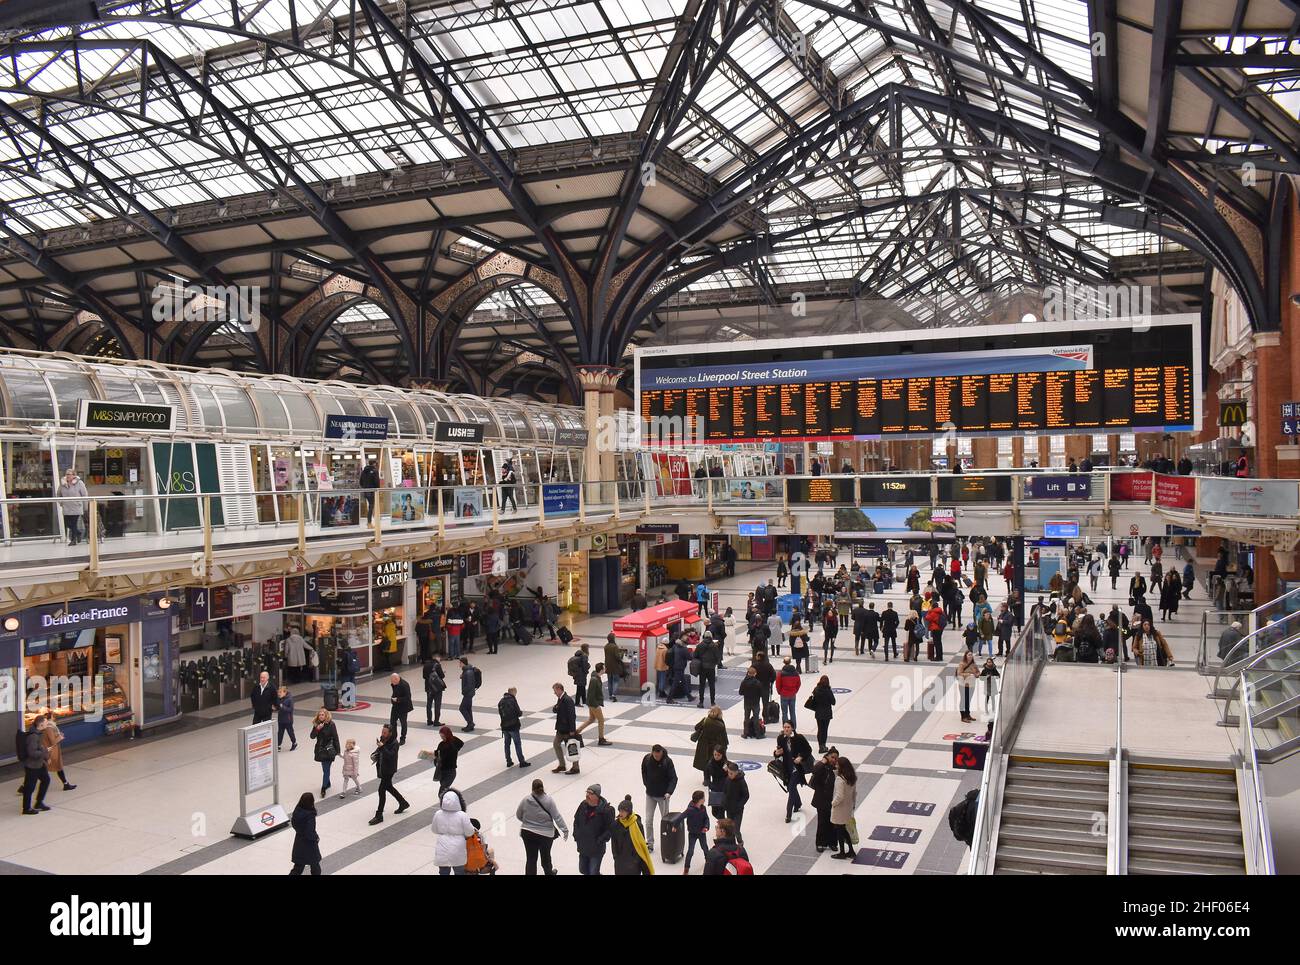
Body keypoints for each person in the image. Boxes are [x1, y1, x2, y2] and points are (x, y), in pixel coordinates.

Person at [517, 778, 569, 876]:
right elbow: (557, 817)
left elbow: (518, 815)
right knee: (545, 856)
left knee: (531, 859)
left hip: (527, 833)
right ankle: (549, 873)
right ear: (543, 787)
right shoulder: (549, 800)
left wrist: (528, 822)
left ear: (532, 788)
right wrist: (564, 830)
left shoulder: (526, 799)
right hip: (545, 834)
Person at [368, 724, 409, 825]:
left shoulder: (395, 743)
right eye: (382, 732)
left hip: (389, 770)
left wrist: (382, 748)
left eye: (385, 733)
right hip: (382, 767)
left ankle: (379, 815)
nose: (382, 734)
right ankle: (403, 803)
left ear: (390, 733)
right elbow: (379, 751)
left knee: (381, 790)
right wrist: (375, 754)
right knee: (389, 787)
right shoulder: (383, 739)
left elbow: (390, 756)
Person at [573, 783, 616, 875]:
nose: (587, 795)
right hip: (583, 846)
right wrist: (576, 834)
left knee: (593, 872)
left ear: (597, 796)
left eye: (590, 793)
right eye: (587, 792)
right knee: (583, 870)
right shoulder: (583, 805)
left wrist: (600, 840)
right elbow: (576, 820)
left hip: (596, 849)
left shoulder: (606, 811)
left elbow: (610, 829)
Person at [641, 744, 678, 851]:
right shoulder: (647, 759)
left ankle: (667, 842)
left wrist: (669, 792)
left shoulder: (667, 762)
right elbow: (643, 771)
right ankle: (650, 843)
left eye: (659, 756)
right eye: (655, 755)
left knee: (666, 821)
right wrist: (646, 783)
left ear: (662, 753)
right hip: (650, 794)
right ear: (652, 753)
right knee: (648, 820)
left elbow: (673, 778)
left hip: (663, 797)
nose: (657, 757)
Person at [774, 720, 813, 823]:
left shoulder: (799, 738)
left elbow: (808, 750)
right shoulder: (781, 738)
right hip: (787, 768)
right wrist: (776, 753)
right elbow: (779, 753)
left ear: (792, 728)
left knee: (791, 788)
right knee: (791, 788)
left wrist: (800, 757)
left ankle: (788, 814)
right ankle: (798, 803)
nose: (786, 729)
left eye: (788, 727)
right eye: (785, 727)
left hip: (797, 768)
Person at [431, 790, 475, 875]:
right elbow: (470, 832)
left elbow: (434, 830)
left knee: (443, 872)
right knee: (459, 871)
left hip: (442, 847)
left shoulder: (438, 814)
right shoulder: (462, 815)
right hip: (458, 848)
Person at [611, 796, 655, 875]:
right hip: (620, 862)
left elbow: (641, 844)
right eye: (620, 811)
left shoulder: (637, 824)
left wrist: (636, 860)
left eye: (623, 811)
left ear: (629, 812)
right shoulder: (616, 824)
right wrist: (616, 857)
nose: (620, 813)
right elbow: (614, 842)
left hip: (633, 863)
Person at [673, 790, 711, 874]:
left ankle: (709, 862)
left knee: (705, 847)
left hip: (701, 833)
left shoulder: (703, 808)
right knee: (690, 851)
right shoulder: (690, 810)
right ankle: (686, 868)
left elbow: (706, 818)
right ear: (699, 800)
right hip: (692, 834)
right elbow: (681, 817)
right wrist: (675, 826)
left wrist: (706, 826)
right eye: (703, 798)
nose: (705, 799)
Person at [809, 747, 839, 852]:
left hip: (834, 800)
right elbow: (814, 771)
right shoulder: (822, 767)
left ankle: (832, 842)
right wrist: (822, 762)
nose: (834, 760)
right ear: (827, 757)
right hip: (822, 799)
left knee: (833, 823)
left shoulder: (837, 769)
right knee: (822, 822)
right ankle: (820, 843)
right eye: (832, 757)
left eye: (836, 758)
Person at [18, 720, 51, 815]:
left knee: (46, 780)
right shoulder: (33, 737)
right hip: (32, 766)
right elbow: (32, 753)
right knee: (29, 787)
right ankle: (26, 808)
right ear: (40, 725)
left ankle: (39, 802)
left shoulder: (39, 734)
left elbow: (39, 748)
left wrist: (45, 757)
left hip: (39, 764)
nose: (47, 724)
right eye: (45, 722)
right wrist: (44, 752)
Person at [575, 664, 612, 746]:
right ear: (601, 669)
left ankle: (576, 731)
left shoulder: (596, 678)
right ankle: (601, 739)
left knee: (591, 719)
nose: (605, 669)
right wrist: (596, 705)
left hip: (592, 703)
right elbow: (590, 694)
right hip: (594, 704)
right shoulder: (594, 680)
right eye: (604, 667)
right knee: (601, 720)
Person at [830, 757, 859, 860]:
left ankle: (842, 852)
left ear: (841, 767)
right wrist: (853, 805)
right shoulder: (852, 777)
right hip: (848, 807)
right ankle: (850, 850)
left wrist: (833, 803)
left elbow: (839, 796)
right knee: (843, 829)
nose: (836, 766)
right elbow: (854, 793)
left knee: (839, 830)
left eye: (838, 765)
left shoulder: (840, 779)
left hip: (839, 808)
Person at [308, 708, 339, 798]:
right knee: (325, 769)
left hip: (329, 750)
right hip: (320, 750)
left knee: (326, 770)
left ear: (326, 716)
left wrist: (338, 751)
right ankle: (328, 783)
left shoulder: (331, 724)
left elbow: (336, 737)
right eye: (320, 715)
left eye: (323, 715)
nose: (321, 716)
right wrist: (317, 729)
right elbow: (312, 736)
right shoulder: (317, 724)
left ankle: (323, 788)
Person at [289, 792, 321, 875]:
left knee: (298, 867)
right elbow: (310, 831)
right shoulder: (310, 815)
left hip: (299, 842)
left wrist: (300, 831)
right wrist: (316, 838)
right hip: (309, 844)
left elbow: (293, 823)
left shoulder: (297, 810)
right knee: (315, 866)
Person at [551, 682, 579, 775]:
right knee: (556, 744)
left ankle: (575, 767)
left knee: (571, 747)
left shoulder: (567, 700)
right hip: (560, 728)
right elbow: (556, 709)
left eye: (555, 691)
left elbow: (572, 716)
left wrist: (572, 730)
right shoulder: (560, 699)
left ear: (559, 689)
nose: (554, 693)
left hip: (567, 729)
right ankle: (562, 765)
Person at [57, 468, 90, 545]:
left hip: (76, 506)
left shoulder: (79, 483)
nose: (67, 476)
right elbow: (58, 495)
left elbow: (84, 494)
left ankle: (73, 540)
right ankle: (78, 533)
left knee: (74, 523)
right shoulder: (62, 484)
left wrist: (85, 507)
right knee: (67, 523)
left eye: (69, 474)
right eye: (66, 474)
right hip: (66, 507)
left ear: (73, 475)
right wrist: (61, 503)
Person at [722, 761, 750, 845]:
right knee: (730, 828)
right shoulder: (727, 779)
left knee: (736, 829)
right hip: (729, 808)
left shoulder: (741, 782)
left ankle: (740, 842)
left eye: (731, 773)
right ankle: (731, 844)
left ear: (736, 772)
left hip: (738, 810)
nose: (729, 775)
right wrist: (724, 802)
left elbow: (746, 795)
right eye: (728, 773)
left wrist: (739, 805)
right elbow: (725, 791)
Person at [808, 674, 836, 752]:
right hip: (826, 713)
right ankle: (823, 745)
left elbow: (814, 700)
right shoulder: (828, 691)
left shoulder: (816, 690)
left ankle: (820, 745)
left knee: (820, 729)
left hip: (818, 712)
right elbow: (833, 702)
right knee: (825, 729)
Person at [739, 666, 765, 738]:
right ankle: (758, 734)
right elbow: (761, 694)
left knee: (746, 718)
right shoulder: (758, 683)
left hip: (747, 702)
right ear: (755, 674)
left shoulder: (744, 682)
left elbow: (740, 692)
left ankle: (745, 733)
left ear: (748, 673)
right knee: (756, 718)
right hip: (755, 703)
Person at [387, 672, 412, 744]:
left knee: (403, 723)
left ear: (396, 679)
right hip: (395, 706)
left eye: (392, 681)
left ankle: (403, 738)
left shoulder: (404, 685)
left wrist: (398, 699)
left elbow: (408, 698)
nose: (391, 682)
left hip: (403, 707)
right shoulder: (394, 684)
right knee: (392, 722)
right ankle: (393, 737)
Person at [957, 651, 979, 723]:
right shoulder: (962, 664)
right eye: (969, 655)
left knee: (968, 700)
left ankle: (968, 714)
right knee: (963, 700)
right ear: (965, 655)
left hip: (972, 684)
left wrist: (977, 674)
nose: (970, 656)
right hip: (963, 684)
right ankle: (963, 716)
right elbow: (959, 673)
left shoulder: (974, 664)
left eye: (971, 655)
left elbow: (978, 672)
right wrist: (968, 674)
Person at [424, 656, 446, 726]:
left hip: (428, 688)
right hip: (437, 688)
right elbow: (442, 676)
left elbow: (424, 676)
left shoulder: (426, 664)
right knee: (437, 704)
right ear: (437, 658)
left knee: (429, 704)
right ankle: (436, 721)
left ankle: (429, 720)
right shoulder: (437, 665)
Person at [604, 632, 626, 702]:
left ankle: (610, 695)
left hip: (608, 666)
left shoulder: (606, 646)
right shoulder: (614, 646)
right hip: (615, 666)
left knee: (609, 681)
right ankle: (613, 695)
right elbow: (617, 657)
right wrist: (621, 654)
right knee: (616, 681)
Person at [458, 657, 478, 731]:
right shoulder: (467, 670)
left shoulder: (468, 672)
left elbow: (469, 684)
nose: (459, 664)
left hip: (468, 693)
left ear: (462, 663)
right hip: (470, 692)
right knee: (468, 708)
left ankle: (470, 723)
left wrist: (464, 691)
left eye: (459, 663)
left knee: (462, 708)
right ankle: (470, 724)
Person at [359, 458, 380, 524]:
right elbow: (377, 482)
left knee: (370, 506)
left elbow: (360, 482)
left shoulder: (364, 471)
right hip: (372, 491)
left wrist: (365, 487)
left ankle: (370, 521)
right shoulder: (375, 471)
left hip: (366, 491)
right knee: (371, 506)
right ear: (374, 464)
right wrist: (377, 489)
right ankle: (369, 522)